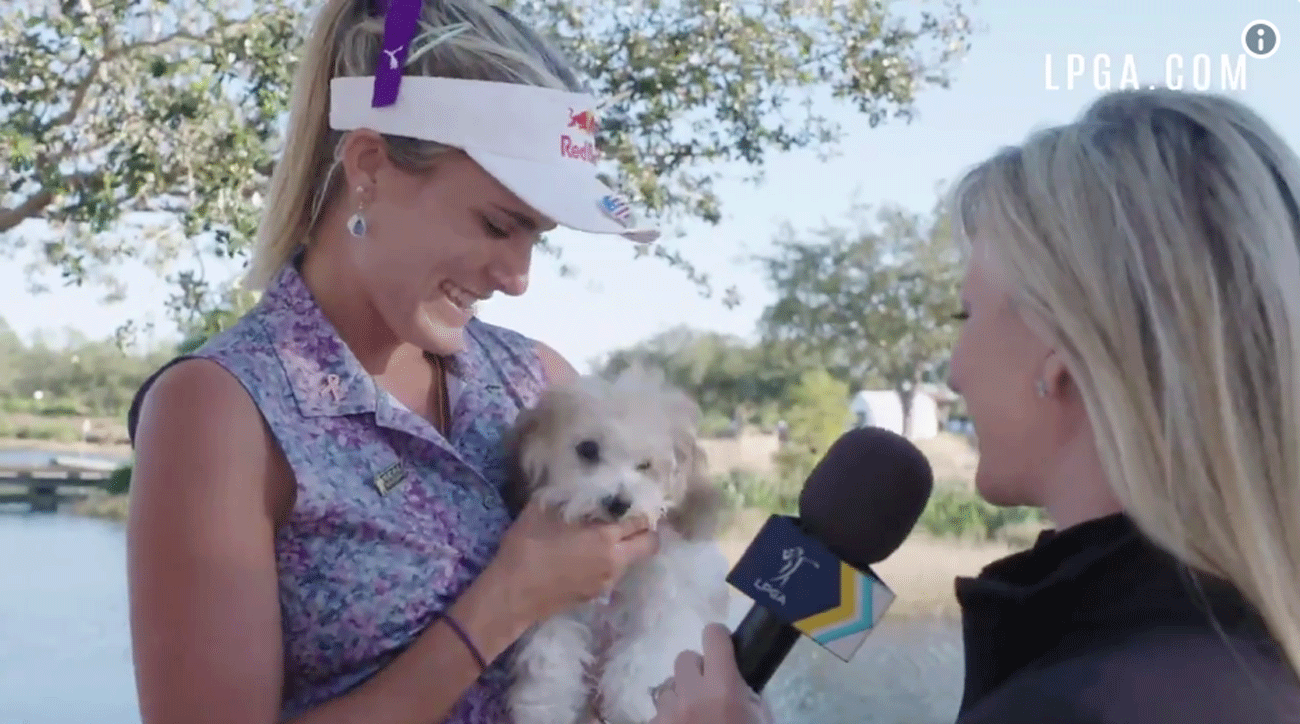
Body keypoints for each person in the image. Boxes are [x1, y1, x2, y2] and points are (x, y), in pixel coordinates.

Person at [648, 88, 1300, 724]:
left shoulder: (1084, 702)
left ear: (1058, 348)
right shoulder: (1241, 647)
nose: (955, 371)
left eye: (968, 313)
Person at [124, 1, 663, 723]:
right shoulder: (224, 409)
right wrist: (503, 603)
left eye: (537, 236)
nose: (518, 276)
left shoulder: (540, 383)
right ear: (370, 164)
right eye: (498, 224)